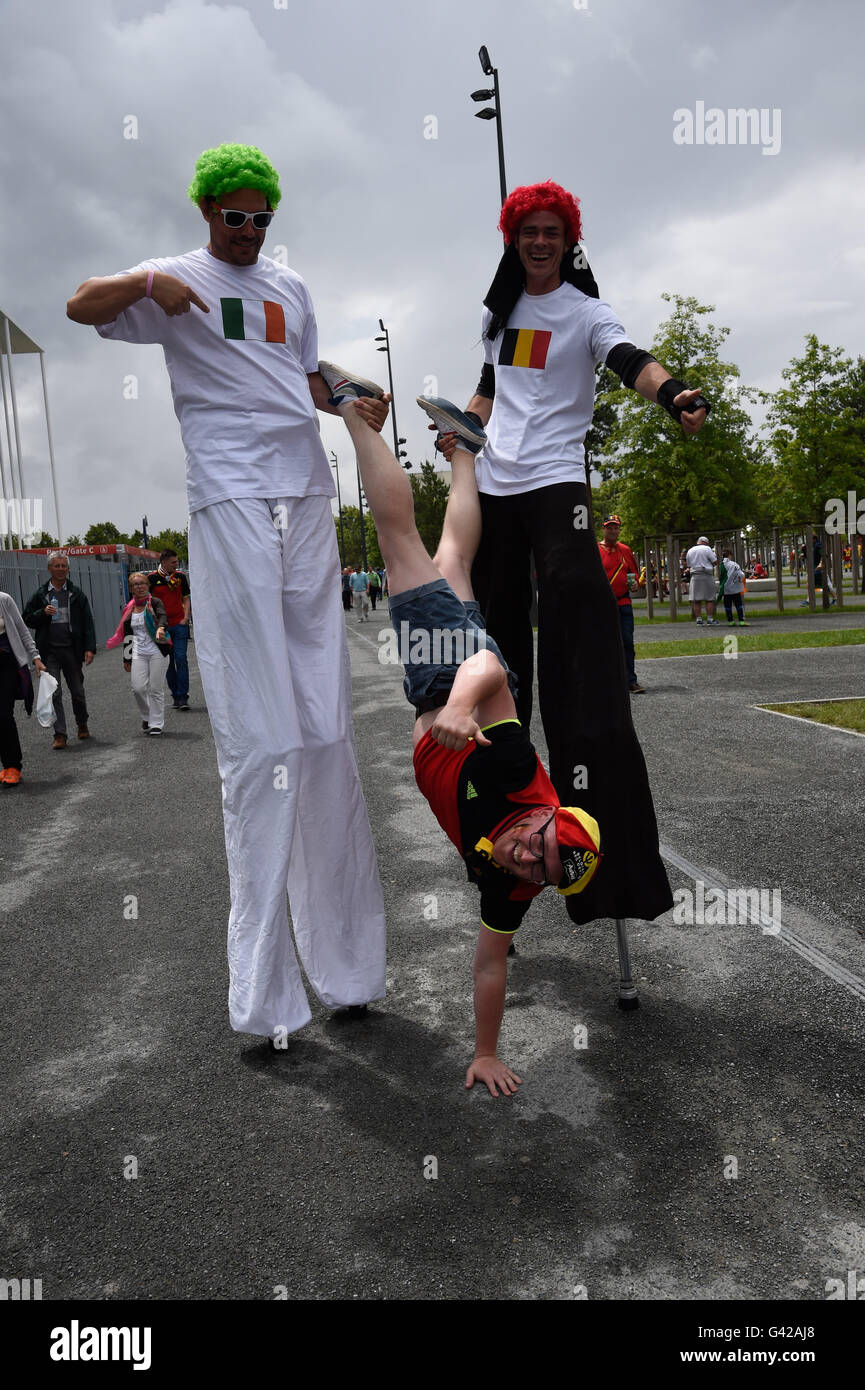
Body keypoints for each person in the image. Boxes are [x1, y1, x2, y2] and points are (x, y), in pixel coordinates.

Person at [66, 142, 387, 1040]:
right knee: (266, 738)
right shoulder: (173, 275)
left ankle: (350, 971)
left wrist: (357, 392)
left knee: (324, 731)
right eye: (233, 217)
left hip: (305, 494)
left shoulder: (290, 288)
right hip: (232, 498)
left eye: (260, 219)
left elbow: (307, 377)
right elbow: (76, 303)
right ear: (207, 211)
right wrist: (144, 289)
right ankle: (266, 997)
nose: (247, 233)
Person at [320, 366, 602, 1095]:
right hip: (449, 672)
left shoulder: (515, 887)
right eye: (531, 851)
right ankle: (356, 413)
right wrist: (452, 709)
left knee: (451, 559)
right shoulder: (518, 782)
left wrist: (485, 1051)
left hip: (445, 682)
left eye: (533, 874)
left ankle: (464, 452)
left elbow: (489, 963)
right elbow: (489, 668)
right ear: (544, 818)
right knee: (396, 540)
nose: (518, 862)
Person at [434, 180, 710, 925]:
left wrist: (673, 393)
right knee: (488, 635)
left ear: (568, 239)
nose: (541, 241)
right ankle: (499, 808)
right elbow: (493, 387)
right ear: (514, 238)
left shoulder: (585, 313)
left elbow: (628, 359)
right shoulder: (499, 314)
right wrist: (461, 425)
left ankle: (605, 836)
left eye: (553, 231)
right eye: (530, 231)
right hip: (495, 483)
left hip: (557, 482)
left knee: (574, 612)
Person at [22, 552, 97, 749]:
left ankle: (82, 723)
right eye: (57, 566)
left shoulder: (77, 594)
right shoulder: (40, 594)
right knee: (54, 693)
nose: (61, 569)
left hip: (72, 650)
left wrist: (89, 648)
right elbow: (27, 618)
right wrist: (43, 613)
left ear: (68, 569)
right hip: (50, 652)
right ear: (49, 569)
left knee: (78, 691)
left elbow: (88, 622)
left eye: (64, 566)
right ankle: (60, 734)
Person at [105, 573, 172, 734]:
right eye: (135, 584)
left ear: (148, 586)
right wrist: (126, 659)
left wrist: (161, 628)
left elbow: (163, 615)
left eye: (142, 583)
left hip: (157, 651)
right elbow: (128, 635)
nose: (139, 587)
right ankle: (147, 717)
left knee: (155, 689)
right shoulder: (129, 608)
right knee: (138, 688)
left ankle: (156, 724)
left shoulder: (155, 602)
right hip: (138, 653)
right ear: (131, 588)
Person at [0, 591, 47, 785]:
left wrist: (35, 656)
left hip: (5, 663)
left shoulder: (4, 599)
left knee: (3, 714)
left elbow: (21, 629)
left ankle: (12, 765)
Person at [598, 513, 644, 694]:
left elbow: (635, 577)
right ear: (603, 529)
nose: (613, 530)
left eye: (616, 527)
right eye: (609, 527)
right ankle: (607, 680)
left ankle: (630, 680)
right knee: (603, 642)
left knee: (627, 641)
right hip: (602, 604)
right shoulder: (595, 550)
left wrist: (635, 585)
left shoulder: (625, 550)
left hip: (623, 602)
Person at [147, 549, 191, 710]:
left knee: (181, 658)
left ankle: (184, 696)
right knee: (168, 662)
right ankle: (176, 696)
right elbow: (148, 603)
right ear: (164, 561)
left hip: (179, 624)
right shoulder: (151, 578)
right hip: (162, 628)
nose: (176, 564)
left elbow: (186, 598)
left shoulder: (180, 577)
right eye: (173, 562)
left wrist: (186, 618)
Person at [684, 536, 719, 624]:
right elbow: (715, 562)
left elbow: (688, 564)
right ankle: (710, 619)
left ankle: (699, 619)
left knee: (696, 599)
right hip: (706, 574)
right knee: (709, 598)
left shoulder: (690, 550)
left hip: (695, 576)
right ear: (705, 542)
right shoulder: (707, 549)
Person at [717, 550, 748, 626]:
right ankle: (741, 621)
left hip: (725, 589)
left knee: (727, 606)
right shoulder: (734, 564)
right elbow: (741, 574)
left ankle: (730, 621)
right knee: (738, 605)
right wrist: (738, 580)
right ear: (730, 555)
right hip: (735, 588)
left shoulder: (721, 565)